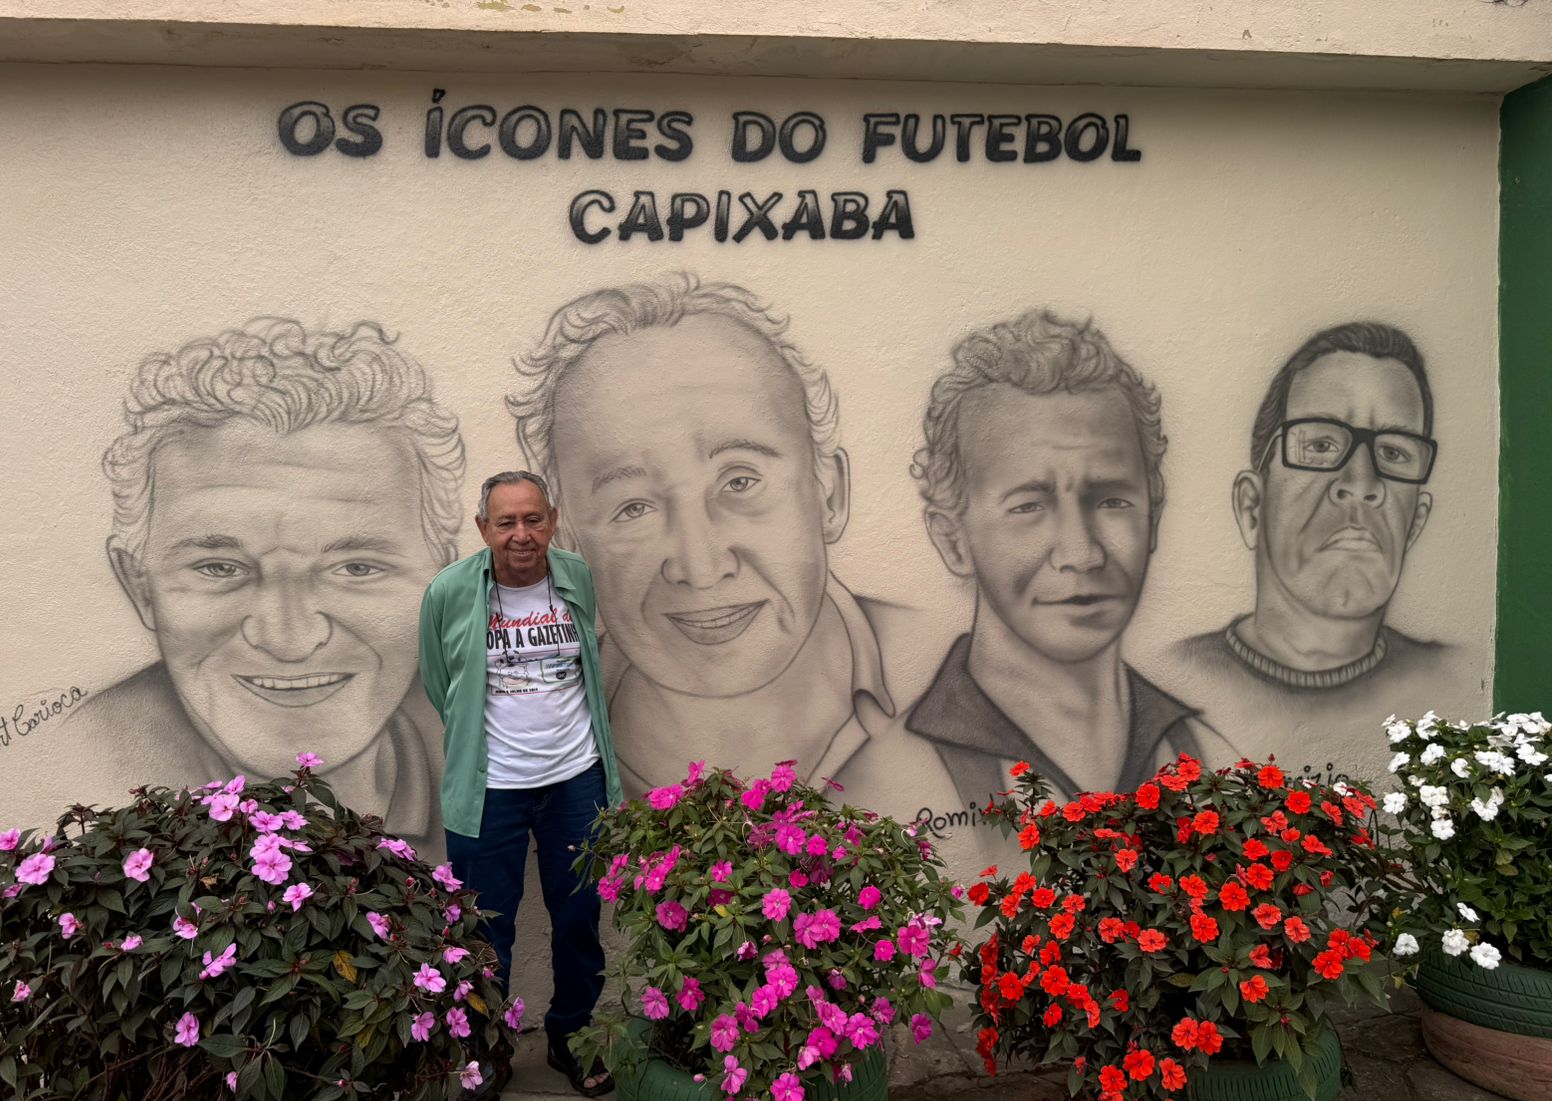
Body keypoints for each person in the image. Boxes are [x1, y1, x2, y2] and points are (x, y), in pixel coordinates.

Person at [839, 310, 1230, 877]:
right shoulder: (882, 797)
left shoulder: (1212, 759)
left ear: (1156, 516)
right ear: (954, 540)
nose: (1081, 552)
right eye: (1028, 506)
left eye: (1112, 500)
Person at [52, 318, 462, 857]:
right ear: (140, 587)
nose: (288, 638)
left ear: (439, 583)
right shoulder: (75, 769)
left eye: (357, 568)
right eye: (220, 568)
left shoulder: (484, 749)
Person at [505, 274, 927, 796]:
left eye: (740, 481)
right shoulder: (531, 743)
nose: (700, 567)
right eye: (633, 507)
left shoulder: (953, 684)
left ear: (829, 494)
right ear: (568, 544)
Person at [419, 469, 623, 1101]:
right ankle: (487, 1053)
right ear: (483, 529)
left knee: (579, 919)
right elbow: (437, 677)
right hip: (491, 790)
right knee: (484, 931)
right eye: (506, 522)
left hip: (574, 779)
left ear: (552, 520)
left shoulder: (574, 578)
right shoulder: (450, 592)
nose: (521, 534)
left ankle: (572, 1037)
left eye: (533, 519)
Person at [1177, 323, 1448, 717]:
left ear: (1415, 523)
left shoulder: (1451, 684)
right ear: (1252, 507)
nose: (1361, 483)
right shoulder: (1172, 690)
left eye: (1392, 452)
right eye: (1321, 445)